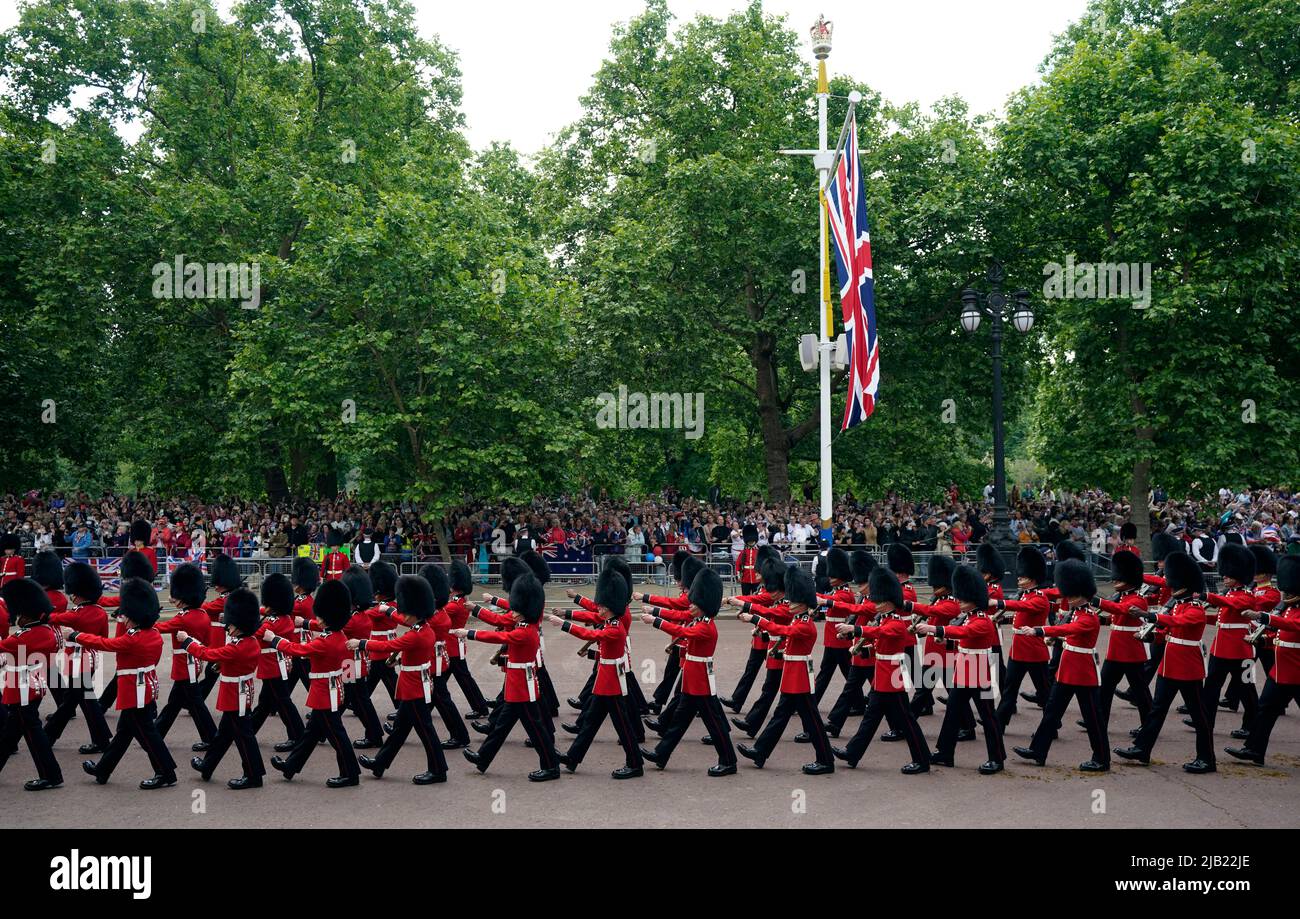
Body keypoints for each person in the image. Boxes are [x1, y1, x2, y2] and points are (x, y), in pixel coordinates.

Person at [1115, 550, 1216, 773]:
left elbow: (1178, 622)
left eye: (1175, 583)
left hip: (1188, 669)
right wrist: (1151, 635)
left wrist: (1152, 616)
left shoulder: (1195, 608)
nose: (1171, 587)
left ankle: (1207, 758)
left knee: (1200, 716)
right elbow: (1168, 631)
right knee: (1156, 711)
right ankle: (1141, 749)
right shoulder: (1179, 604)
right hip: (1169, 666)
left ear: (1185, 584)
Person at [71, 576, 177, 789]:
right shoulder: (152, 633)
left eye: (126, 616)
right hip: (142, 687)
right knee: (124, 733)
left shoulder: (134, 638)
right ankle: (103, 769)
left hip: (135, 691)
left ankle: (165, 772)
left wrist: (77, 635)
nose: (124, 619)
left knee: (148, 736)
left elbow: (105, 643)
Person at [455, 572, 561, 782]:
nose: (512, 612)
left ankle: (551, 766)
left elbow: (499, 636)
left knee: (536, 729)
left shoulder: (525, 631)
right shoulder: (524, 623)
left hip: (523, 686)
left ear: (523, 611)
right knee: (502, 726)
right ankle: (482, 758)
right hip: (516, 684)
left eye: (516, 609)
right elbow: (500, 623)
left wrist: (469, 634)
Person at [736, 564, 835, 775]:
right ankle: (760, 752)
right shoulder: (800, 618)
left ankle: (826, 760)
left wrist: (755, 618)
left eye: (793, 600)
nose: (789, 603)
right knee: (781, 715)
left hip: (799, 678)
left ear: (802, 603)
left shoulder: (805, 623)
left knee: (813, 722)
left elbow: (781, 629)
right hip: (792, 676)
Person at [830, 566, 931, 773]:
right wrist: (863, 651)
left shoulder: (895, 623)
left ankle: (922, 759)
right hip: (882, 677)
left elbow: (878, 632)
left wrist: (854, 629)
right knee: (871, 718)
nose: (874, 603)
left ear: (887, 601)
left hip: (892, 677)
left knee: (907, 722)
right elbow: (878, 646)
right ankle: (853, 753)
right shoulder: (885, 618)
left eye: (877, 600)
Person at [637, 567, 737, 776]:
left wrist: (656, 621)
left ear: (702, 605)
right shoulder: (699, 618)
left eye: (694, 602)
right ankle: (661, 754)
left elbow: (681, 630)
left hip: (700, 681)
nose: (690, 604)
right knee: (678, 722)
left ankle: (728, 761)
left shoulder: (705, 626)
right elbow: (678, 614)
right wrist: (655, 611)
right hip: (692, 680)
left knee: (715, 725)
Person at [545, 566, 643, 779]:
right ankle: (572, 758)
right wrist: (569, 613)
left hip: (612, 684)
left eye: (601, 606)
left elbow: (586, 633)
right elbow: (590, 615)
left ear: (608, 608)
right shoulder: (610, 619)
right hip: (604, 680)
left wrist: (564, 624)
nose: (598, 608)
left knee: (623, 726)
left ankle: (635, 763)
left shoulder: (615, 627)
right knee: (590, 722)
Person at [1012, 559, 1109, 772]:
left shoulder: (1089, 617)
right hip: (1066, 671)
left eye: (1072, 595)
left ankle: (1101, 759)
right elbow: (1064, 629)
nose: (1068, 598)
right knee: (1051, 714)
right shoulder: (1074, 612)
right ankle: (1038, 750)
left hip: (1083, 673)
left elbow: (1066, 630)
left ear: (1082, 594)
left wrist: (1040, 631)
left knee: (1093, 719)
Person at [351, 573, 448, 785]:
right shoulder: (424, 628)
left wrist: (361, 644)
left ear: (415, 612)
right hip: (414, 685)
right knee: (399, 731)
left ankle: (439, 770)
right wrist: (391, 611)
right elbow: (402, 627)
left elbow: (388, 646)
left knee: (426, 731)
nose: (403, 617)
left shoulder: (416, 634)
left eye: (406, 613)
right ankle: (380, 763)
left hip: (414, 688)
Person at [266, 579, 362, 787]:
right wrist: (347, 690)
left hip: (324, 694)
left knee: (337, 736)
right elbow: (348, 667)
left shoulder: (324, 642)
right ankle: (291, 766)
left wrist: (274, 639)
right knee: (311, 734)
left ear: (326, 618)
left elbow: (296, 650)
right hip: (333, 690)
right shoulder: (339, 636)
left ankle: (350, 773)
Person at [914, 564, 1005, 774]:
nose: (959, 602)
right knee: (952, 714)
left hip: (978, 671)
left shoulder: (982, 620)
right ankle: (945, 752)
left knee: (989, 717)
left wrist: (934, 628)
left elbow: (962, 633)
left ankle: (997, 758)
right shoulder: (968, 616)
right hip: (963, 671)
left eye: (963, 599)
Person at [178, 587, 265, 790]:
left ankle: (253, 775)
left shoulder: (239, 645)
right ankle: (208, 765)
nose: (227, 628)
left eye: (231, 624)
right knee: (223, 735)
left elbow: (208, 654)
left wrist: (188, 641)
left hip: (236, 695)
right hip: (237, 694)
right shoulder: (248, 641)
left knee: (244, 738)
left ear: (240, 625)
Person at [1226, 555, 1300, 765]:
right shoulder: (1289, 608)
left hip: (1297, 671)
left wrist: (1263, 617)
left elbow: (1293, 627)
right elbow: (1280, 637)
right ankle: (1254, 750)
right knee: (1264, 710)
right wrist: (1263, 641)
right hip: (1281, 672)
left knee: (1265, 709)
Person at [0, 578, 64, 790]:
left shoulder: (23, 637)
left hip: (21, 690)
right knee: (11, 734)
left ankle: (50, 775)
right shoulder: (45, 633)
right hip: (34, 687)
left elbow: (4, 646)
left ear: (26, 615)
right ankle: (51, 775)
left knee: (34, 736)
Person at [43, 561, 113, 753]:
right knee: (77, 700)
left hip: (77, 660)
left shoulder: (75, 615)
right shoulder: (100, 613)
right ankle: (100, 739)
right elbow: (103, 638)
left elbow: (50, 618)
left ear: (77, 593)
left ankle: (48, 736)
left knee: (78, 701)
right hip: (91, 659)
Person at [153, 563, 218, 751]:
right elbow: (206, 640)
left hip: (184, 665)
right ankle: (157, 733)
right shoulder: (203, 615)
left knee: (195, 703)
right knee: (175, 702)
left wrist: (142, 620)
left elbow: (160, 628)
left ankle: (212, 737)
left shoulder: (183, 618)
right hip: (195, 663)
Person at [1198, 544, 1259, 737]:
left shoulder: (1247, 596)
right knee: (1210, 690)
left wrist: (1208, 596)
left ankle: (1251, 726)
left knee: (1247, 691)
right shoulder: (1229, 594)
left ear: (1239, 575)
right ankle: (1206, 723)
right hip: (1221, 649)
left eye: (1228, 575)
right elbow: (1220, 618)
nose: (1224, 577)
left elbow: (1230, 604)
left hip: (1241, 650)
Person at [990, 547, 1053, 731]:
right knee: (1009, 690)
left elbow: (1024, 608)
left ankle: (1051, 726)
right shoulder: (1024, 595)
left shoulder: (1040, 597)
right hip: (1018, 650)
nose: (1019, 578)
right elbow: (1020, 615)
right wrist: (1006, 618)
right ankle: (999, 723)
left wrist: (999, 603)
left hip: (1033, 651)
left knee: (1044, 693)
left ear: (1032, 578)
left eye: (1023, 576)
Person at [1094, 549, 1154, 729]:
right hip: (1115, 650)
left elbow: (1121, 611)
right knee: (1104, 688)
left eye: (1119, 578)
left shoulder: (1138, 600)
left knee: (1140, 692)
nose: (1115, 581)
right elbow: (1115, 618)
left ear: (1129, 580)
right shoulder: (1122, 597)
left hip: (1131, 651)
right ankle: (1100, 720)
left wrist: (1096, 601)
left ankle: (1149, 726)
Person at [719, 545, 782, 712]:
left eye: (759, 572)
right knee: (752, 670)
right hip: (760, 635)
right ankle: (737, 700)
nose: (756, 574)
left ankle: (796, 700)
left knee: (776, 675)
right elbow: (754, 601)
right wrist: (744, 608)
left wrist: (732, 600)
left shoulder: (771, 590)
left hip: (770, 636)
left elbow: (755, 601)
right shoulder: (764, 587)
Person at [823, 550, 879, 738]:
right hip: (859, 650)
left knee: (887, 695)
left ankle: (901, 724)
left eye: (862, 583)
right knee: (851, 688)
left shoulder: (876, 600)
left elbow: (856, 609)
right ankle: (834, 723)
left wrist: (826, 602)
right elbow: (856, 614)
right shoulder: (865, 597)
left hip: (869, 651)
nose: (859, 586)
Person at [249, 572, 305, 753]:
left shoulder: (275, 622)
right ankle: (248, 731)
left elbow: (254, 632)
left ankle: (298, 735)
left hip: (274, 666)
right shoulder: (283, 618)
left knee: (283, 703)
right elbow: (263, 612)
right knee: (265, 702)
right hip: (273, 665)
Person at [444, 560, 490, 719]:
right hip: (453, 645)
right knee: (440, 681)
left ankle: (481, 707)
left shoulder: (454, 605)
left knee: (462, 679)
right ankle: (480, 706)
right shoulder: (460, 601)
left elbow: (436, 615)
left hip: (451, 646)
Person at [811, 547, 854, 707]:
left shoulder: (845, 593)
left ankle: (859, 701)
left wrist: (819, 598)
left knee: (848, 674)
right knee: (832, 672)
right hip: (833, 638)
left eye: (833, 574)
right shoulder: (837, 591)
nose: (830, 577)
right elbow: (827, 598)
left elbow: (834, 601)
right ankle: (858, 702)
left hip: (840, 638)